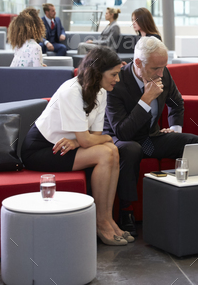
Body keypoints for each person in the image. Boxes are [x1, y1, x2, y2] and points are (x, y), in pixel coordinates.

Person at [20, 47, 130, 246]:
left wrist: (82, 141)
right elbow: (94, 140)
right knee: (107, 151)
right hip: (42, 149)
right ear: (98, 73)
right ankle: (100, 223)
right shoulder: (71, 91)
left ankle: (107, 218)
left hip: (68, 145)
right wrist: (102, 139)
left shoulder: (102, 91)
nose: (118, 79)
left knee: (112, 150)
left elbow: (93, 136)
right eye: (113, 74)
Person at [104, 37, 198, 236]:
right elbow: (122, 131)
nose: (160, 73)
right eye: (155, 69)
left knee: (194, 143)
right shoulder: (117, 82)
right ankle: (126, 210)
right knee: (132, 149)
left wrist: (175, 129)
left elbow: (176, 103)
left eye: (163, 67)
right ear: (138, 63)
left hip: (151, 136)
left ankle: (192, 202)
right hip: (120, 138)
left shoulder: (162, 72)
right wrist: (146, 99)